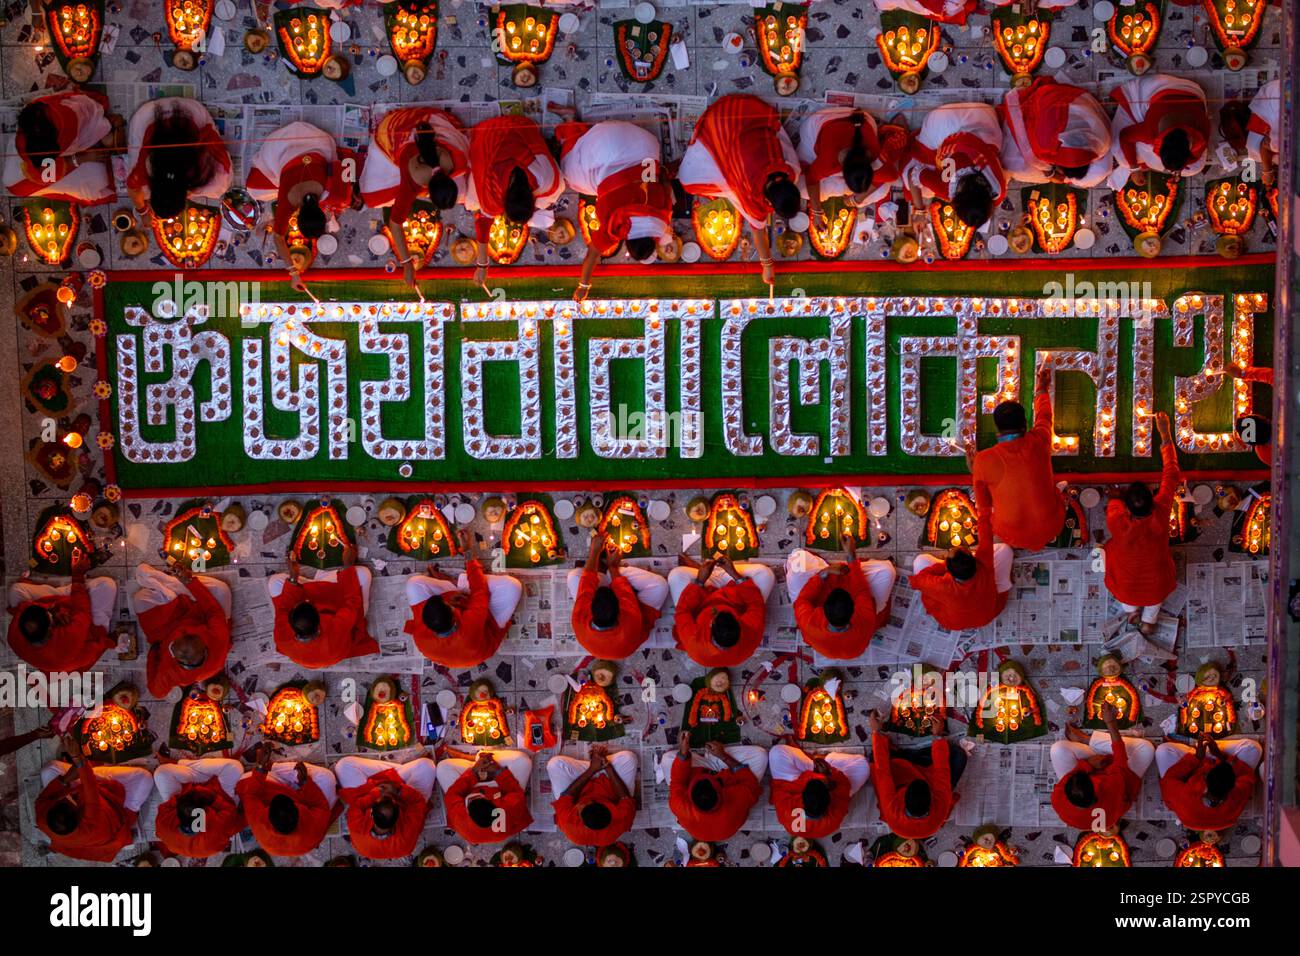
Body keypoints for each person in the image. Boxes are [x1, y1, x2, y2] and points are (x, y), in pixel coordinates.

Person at [678, 94, 802, 285]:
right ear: (768, 202)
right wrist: (767, 265)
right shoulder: (751, 191)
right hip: (725, 136)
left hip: (746, 118)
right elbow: (757, 230)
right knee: (687, 181)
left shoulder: (792, 169)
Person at [557, 119, 675, 301]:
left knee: (647, 176)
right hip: (609, 144)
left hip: (646, 147)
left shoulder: (661, 216)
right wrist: (583, 287)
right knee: (571, 176)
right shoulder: (615, 225)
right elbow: (592, 256)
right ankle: (572, 124)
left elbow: (665, 184)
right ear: (627, 241)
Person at [358, 106, 469, 290]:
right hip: (399, 132)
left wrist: (408, 263)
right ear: (426, 192)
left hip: (425, 125)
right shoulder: (413, 182)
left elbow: (459, 142)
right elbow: (394, 224)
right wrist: (407, 263)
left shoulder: (457, 161)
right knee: (371, 197)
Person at [969, 355, 1064, 551]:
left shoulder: (983, 460)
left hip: (1010, 534)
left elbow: (983, 506)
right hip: (1053, 525)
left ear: (997, 430)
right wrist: (1042, 388)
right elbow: (1044, 415)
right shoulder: (1041, 439)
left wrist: (974, 469)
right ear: (1025, 425)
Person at [246, 121, 355, 290]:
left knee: (258, 188)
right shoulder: (287, 203)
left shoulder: (331, 193)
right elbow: (278, 239)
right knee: (254, 191)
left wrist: (345, 194)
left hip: (316, 142)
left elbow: (349, 162)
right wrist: (293, 273)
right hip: (283, 147)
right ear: (296, 218)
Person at [1102, 412, 1181, 636]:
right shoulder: (1162, 509)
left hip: (1125, 587)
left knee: (1128, 597)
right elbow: (1172, 472)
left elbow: (1113, 502)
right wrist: (1164, 433)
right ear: (1152, 498)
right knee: (1153, 601)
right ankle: (1147, 623)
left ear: (1128, 509)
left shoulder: (1119, 522)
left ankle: (1132, 614)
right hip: (1157, 585)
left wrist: (1115, 496)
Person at [464, 114, 565, 288]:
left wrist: (483, 265)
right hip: (486, 133)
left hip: (518, 124)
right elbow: (482, 222)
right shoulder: (493, 194)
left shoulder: (547, 181)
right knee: (473, 201)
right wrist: (481, 265)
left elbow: (539, 147)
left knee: (555, 191)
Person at [404, 529, 522, 667]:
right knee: (513, 586)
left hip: (460, 627)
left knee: (413, 584)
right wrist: (467, 549)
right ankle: (457, 584)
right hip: (483, 633)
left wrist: (449, 597)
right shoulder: (470, 625)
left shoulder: (421, 635)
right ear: (455, 615)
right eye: (449, 604)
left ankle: (454, 584)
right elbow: (479, 589)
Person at [910, 482, 1013, 630]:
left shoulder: (941, 585)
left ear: (949, 570)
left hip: (953, 621)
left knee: (920, 561)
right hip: (985, 615)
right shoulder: (984, 564)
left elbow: (916, 582)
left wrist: (944, 567)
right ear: (974, 559)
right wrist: (983, 504)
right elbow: (986, 535)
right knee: (1005, 550)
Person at [35, 735, 153, 862]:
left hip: (75, 790)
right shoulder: (90, 823)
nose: (70, 799)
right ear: (79, 814)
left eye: (66, 799)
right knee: (144, 778)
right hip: (110, 808)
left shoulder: (42, 815)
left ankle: (84, 771)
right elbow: (91, 786)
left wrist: (66, 780)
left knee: (49, 770)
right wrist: (78, 759)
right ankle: (92, 769)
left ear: (53, 807)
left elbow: (52, 792)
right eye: (73, 802)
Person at [787, 532, 896, 659]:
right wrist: (851, 556)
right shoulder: (864, 619)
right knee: (888, 571)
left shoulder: (810, 623)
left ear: (823, 610)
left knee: (797, 557)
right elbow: (861, 591)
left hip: (822, 589)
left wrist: (824, 573)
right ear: (854, 609)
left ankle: (815, 564)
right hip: (862, 618)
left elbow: (802, 600)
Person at [132, 563, 232, 699]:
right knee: (222, 589)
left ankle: (169, 585)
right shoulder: (219, 639)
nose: (182, 631)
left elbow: (157, 692)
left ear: (176, 658)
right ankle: (174, 583)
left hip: (168, 626)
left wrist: (154, 652)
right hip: (195, 613)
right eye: (186, 634)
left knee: (139, 599)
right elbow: (213, 611)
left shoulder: (171, 673)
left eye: (175, 643)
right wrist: (190, 582)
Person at [268, 545, 378, 669]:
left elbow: (283, 608)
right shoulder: (334, 631)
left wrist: (293, 577)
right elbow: (352, 603)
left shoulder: (282, 636)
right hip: (336, 611)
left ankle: (312, 581)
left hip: (309, 596)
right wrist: (348, 565)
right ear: (319, 618)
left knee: (274, 582)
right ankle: (324, 579)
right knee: (363, 574)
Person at [798, 107, 910, 226]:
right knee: (802, 190)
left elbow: (891, 176)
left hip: (860, 118)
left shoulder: (875, 157)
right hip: (823, 120)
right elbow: (811, 177)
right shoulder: (829, 162)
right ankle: (846, 190)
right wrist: (816, 212)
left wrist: (860, 197)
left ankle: (849, 192)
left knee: (881, 190)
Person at [1049, 702, 1154, 830]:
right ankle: (1089, 740)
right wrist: (1110, 723)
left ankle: (1087, 742)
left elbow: (1071, 777)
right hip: (1123, 782)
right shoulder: (1110, 789)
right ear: (1094, 784)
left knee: (1058, 749)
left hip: (1095, 765)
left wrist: (1087, 764)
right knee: (1147, 748)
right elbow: (1120, 760)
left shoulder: (1058, 799)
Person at [125, 98, 232, 220]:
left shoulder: (197, 169)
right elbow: (132, 188)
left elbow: (133, 188)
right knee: (142, 192)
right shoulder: (148, 167)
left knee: (221, 185)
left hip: (176, 114)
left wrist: (143, 211)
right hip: (158, 114)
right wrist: (142, 211)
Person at [567, 532, 668, 659]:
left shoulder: (579, 618)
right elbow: (623, 591)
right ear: (619, 608)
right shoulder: (630, 621)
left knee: (573, 576)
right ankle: (612, 573)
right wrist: (613, 566)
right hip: (637, 620)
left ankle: (607, 576)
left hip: (624, 618)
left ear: (591, 608)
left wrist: (594, 551)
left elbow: (586, 582)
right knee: (660, 585)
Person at [906, 102, 1006, 230]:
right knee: (923, 181)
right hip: (944, 121)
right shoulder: (946, 186)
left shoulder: (998, 188)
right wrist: (919, 211)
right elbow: (912, 174)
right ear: (956, 204)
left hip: (983, 116)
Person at [4, 91, 117, 204]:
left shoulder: (66, 126)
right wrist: (80, 159)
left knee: (101, 168)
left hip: (72, 125)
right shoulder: (27, 145)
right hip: (29, 176)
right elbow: (48, 173)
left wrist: (100, 129)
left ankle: (101, 127)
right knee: (99, 178)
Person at [998, 78, 1113, 187]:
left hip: (1062, 96)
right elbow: (1030, 152)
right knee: (1025, 167)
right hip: (1046, 96)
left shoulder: (1102, 141)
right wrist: (1050, 174)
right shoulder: (1045, 146)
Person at [666, 552, 775, 667]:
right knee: (766, 574)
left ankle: (707, 573)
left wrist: (699, 581)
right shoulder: (751, 634)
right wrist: (734, 574)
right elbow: (755, 604)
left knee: (675, 575)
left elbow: (683, 611)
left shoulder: (694, 642)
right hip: (734, 595)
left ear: (710, 625)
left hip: (703, 599)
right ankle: (719, 572)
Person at [869, 711, 961, 839]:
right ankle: (909, 754)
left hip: (902, 776)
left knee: (874, 757)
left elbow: (882, 773)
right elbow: (942, 771)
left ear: (904, 798)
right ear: (932, 797)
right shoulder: (940, 806)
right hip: (925, 772)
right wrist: (937, 735)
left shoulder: (892, 809)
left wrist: (876, 732)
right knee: (959, 756)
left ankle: (904, 754)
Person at [1109, 75, 1210, 187]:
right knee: (1122, 158)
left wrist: (1178, 167)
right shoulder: (1151, 131)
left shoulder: (1201, 134)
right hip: (1163, 90)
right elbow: (1124, 136)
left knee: (1195, 168)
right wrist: (1134, 168)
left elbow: (1194, 156)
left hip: (1192, 91)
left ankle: (1154, 165)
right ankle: (1151, 165)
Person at [6, 571, 117, 674]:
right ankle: (72, 590)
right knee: (107, 585)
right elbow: (82, 611)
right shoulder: (70, 641)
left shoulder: (14, 632)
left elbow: (24, 607)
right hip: (84, 629)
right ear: (50, 630)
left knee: (16, 591)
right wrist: (77, 575)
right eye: (50, 616)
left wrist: (55, 610)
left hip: (59, 602)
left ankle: (64, 592)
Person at [236, 749, 339, 857]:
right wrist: (305, 783)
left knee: (246, 778)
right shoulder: (312, 830)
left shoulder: (259, 822)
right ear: (298, 811)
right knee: (327, 778)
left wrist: (261, 766)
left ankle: (275, 770)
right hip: (302, 798)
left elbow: (251, 794)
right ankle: (285, 776)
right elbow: (321, 806)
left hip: (278, 787)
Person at [663, 736, 766, 843]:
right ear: (719, 793)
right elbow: (750, 783)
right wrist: (723, 756)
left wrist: (683, 753)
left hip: (701, 768)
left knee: (667, 759)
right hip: (727, 772)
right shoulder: (738, 800)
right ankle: (715, 758)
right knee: (761, 755)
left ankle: (709, 759)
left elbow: (677, 782)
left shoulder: (680, 806)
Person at [335, 754, 438, 860]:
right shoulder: (408, 832)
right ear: (399, 814)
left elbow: (356, 805)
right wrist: (398, 791)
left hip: (374, 790)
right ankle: (396, 775)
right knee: (427, 766)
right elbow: (418, 802)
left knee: (343, 766)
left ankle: (391, 775)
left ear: (371, 813)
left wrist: (375, 792)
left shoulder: (357, 829)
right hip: (403, 796)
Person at [1156, 734, 1262, 831]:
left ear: (1204, 779)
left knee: (1163, 751)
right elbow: (1246, 775)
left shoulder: (1183, 797)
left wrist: (1197, 758)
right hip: (1223, 819)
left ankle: (1201, 750)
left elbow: (1169, 779)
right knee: (1253, 748)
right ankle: (1212, 750)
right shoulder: (1237, 794)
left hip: (1190, 816)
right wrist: (1220, 755)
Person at [768, 741, 870, 838]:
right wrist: (828, 773)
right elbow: (844, 785)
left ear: (803, 797)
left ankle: (813, 764)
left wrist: (813, 774)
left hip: (799, 780)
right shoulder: (835, 813)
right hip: (824, 776)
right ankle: (822, 762)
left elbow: (781, 788)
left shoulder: (788, 815)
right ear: (829, 797)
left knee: (776, 753)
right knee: (863, 766)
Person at [152, 755, 244, 859]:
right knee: (235, 767)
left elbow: (167, 806)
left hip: (185, 791)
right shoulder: (217, 833)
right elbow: (229, 809)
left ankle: (185, 765)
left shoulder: (164, 825)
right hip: (215, 796)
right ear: (205, 811)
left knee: (161, 773)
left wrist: (184, 795)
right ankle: (193, 768)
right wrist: (213, 798)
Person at [547, 744, 639, 846]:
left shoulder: (569, 823)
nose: (582, 804)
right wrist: (607, 766)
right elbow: (624, 797)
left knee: (554, 764)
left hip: (578, 785)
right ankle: (600, 763)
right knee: (629, 758)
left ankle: (595, 764)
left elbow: (567, 795)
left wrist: (592, 769)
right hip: (610, 783)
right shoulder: (621, 819)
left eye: (581, 806)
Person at [437, 748, 533, 844]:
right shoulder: (509, 810)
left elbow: (453, 793)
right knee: (523, 762)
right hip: (498, 786)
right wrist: (498, 771)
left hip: (469, 786)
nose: (478, 795)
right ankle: (484, 761)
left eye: (473, 799)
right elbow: (514, 791)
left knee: (442, 768)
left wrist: (474, 771)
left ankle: (479, 761)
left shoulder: (460, 817)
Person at [1226, 359, 1274, 467]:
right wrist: (1242, 374)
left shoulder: (1265, 454)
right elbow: (1274, 377)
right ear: (1264, 419)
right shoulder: (1286, 415)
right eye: (1249, 415)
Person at [1245, 79, 1280, 186]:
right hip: (1272, 98)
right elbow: (1264, 145)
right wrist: (1267, 171)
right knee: (1253, 148)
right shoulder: (1286, 139)